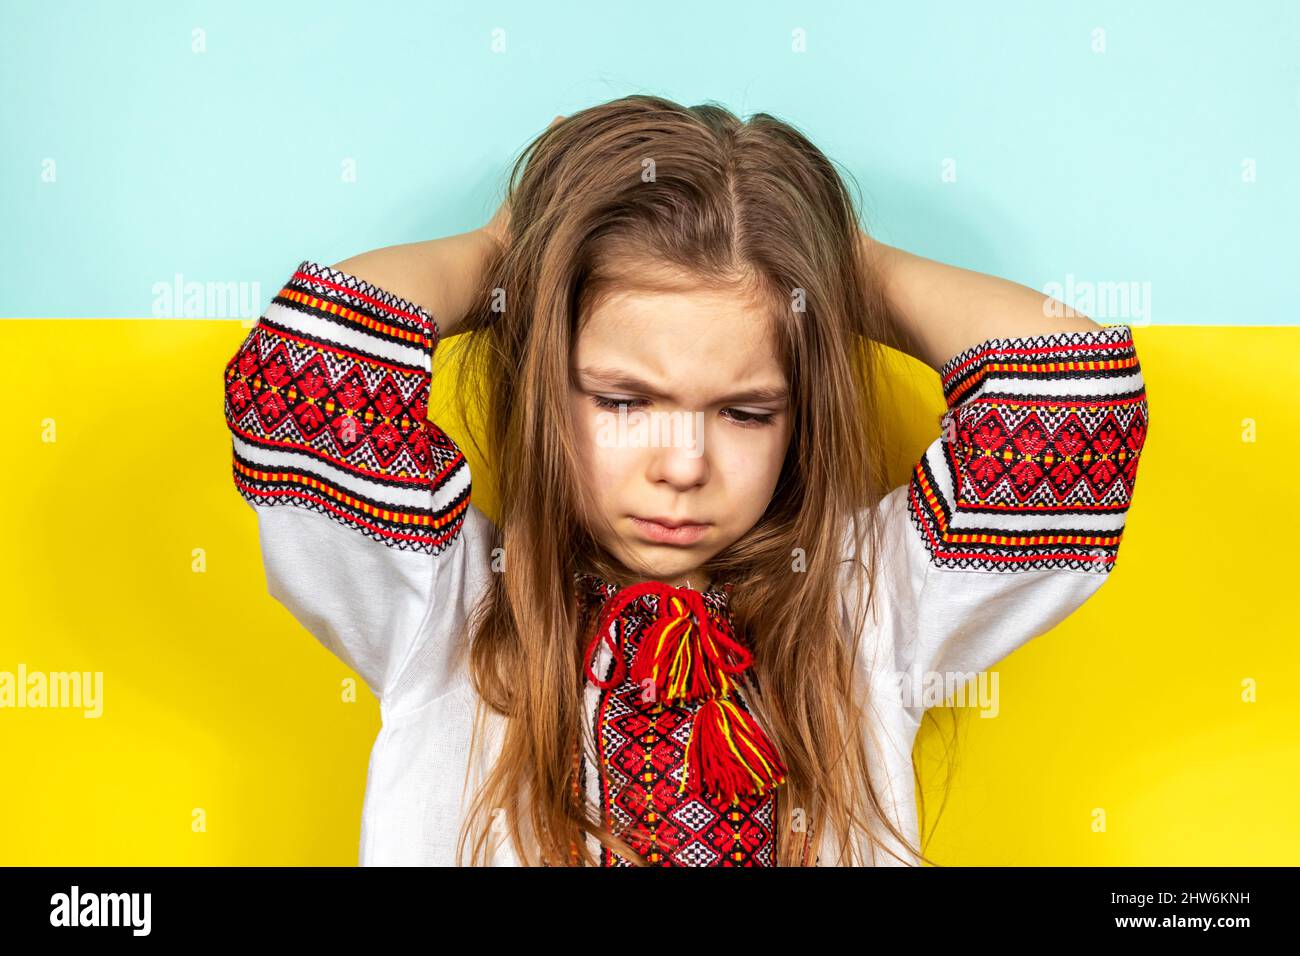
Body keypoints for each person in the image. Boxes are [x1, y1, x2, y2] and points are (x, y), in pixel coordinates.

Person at [221, 95, 1149, 866]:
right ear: (547, 384)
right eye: (625, 401)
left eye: (745, 412)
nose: (684, 465)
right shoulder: (446, 607)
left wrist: (828, 271)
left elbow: (1067, 386)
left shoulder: (865, 607)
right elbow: (308, 372)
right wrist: (512, 259)